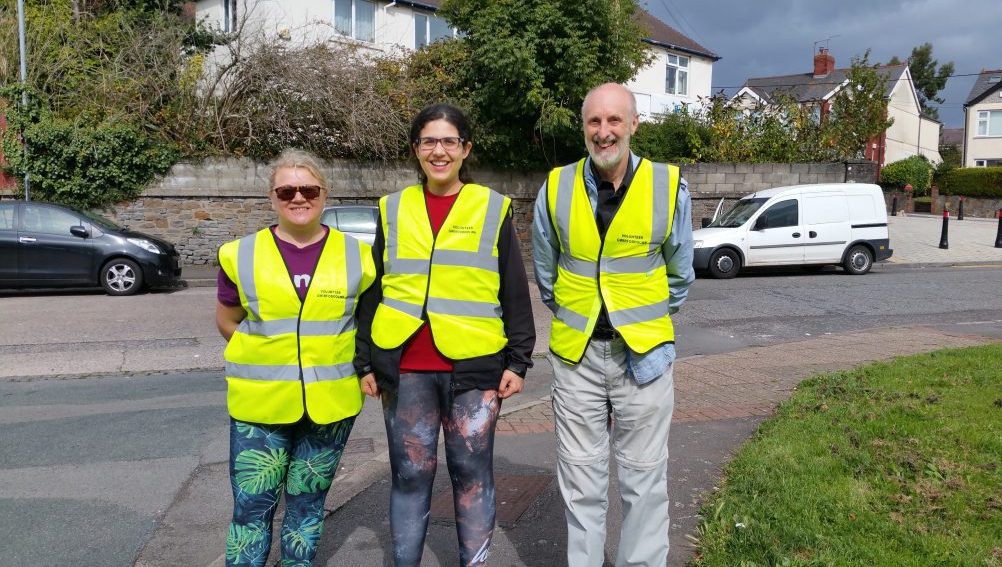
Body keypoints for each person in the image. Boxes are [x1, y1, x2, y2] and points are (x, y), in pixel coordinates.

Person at [355, 103, 536, 567]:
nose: (439, 151)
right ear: (415, 149)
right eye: (429, 141)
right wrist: (364, 362)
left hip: (475, 369)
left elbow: (513, 287)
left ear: (465, 148)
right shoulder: (392, 208)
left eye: (449, 141)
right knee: (410, 475)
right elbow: (373, 288)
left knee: (472, 474)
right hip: (405, 368)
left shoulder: (492, 207)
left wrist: (518, 361)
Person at [531, 83, 695, 567]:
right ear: (584, 128)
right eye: (594, 122)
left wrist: (641, 320)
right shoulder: (556, 186)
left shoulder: (668, 185)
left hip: (643, 357)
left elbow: (681, 274)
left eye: (614, 121)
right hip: (577, 357)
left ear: (634, 124)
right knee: (580, 479)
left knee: (644, 478)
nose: (604, 133)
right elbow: (546, 272)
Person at [215, 150, 376, 567]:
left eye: (309, 189)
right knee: (251, 510)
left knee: (306, 511)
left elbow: (366, 327)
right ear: (272, 197)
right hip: (259, 407)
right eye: (287, 190)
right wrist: (270, 351)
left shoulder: (358, 256)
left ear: (324, 195)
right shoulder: (239, 254)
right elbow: (228, 322)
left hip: (330, 407)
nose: (298, 197)